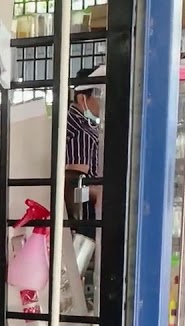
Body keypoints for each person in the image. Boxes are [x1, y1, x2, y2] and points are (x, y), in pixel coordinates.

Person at [65, 66, 103, 239]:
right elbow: (75, 181)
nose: (101, 102)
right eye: (98, 95)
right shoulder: (83, 130)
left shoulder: (67, 120)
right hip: (81, 217)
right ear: (82, 98)